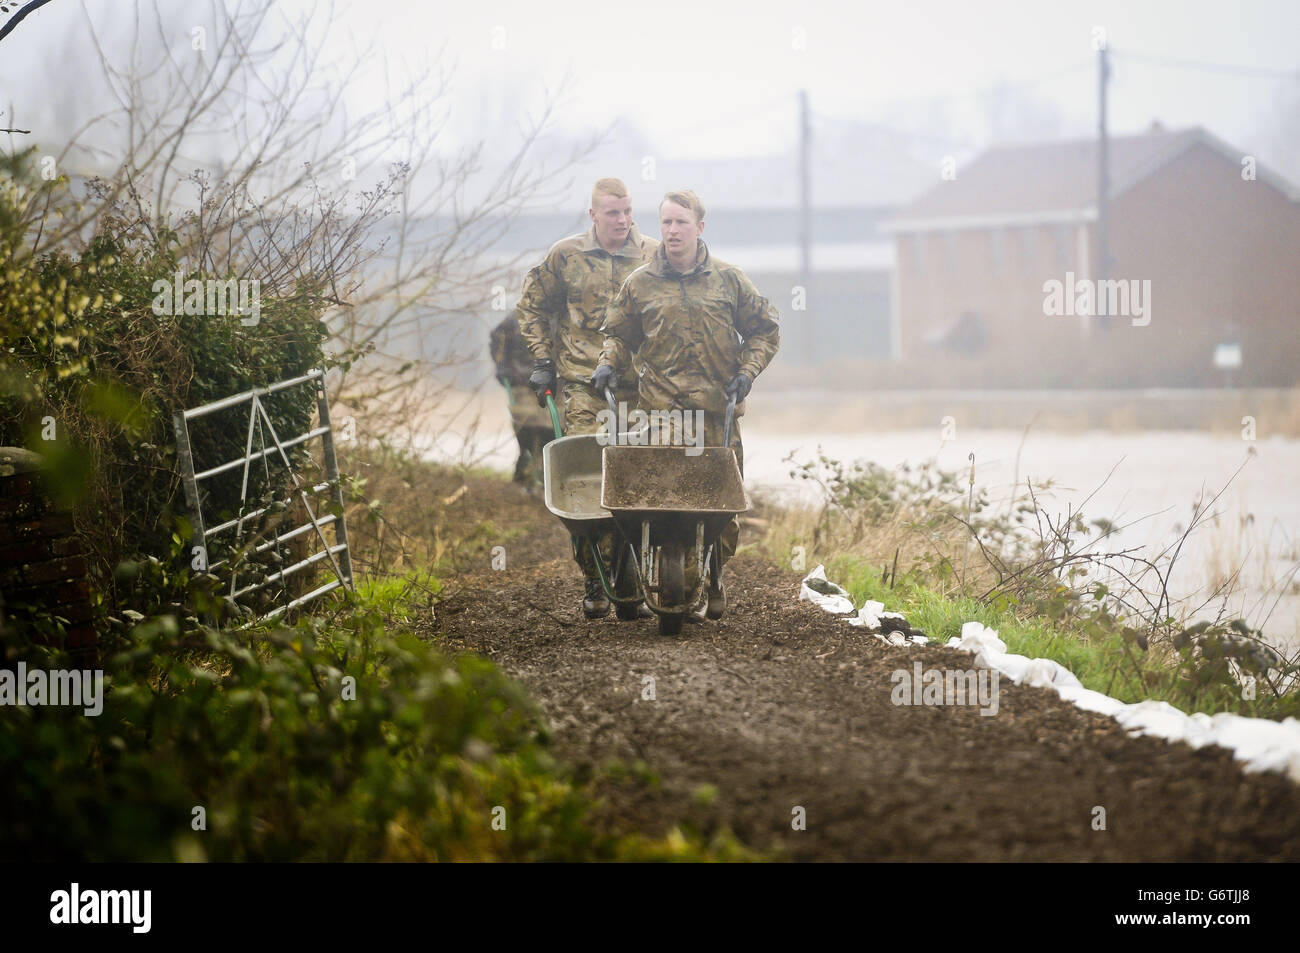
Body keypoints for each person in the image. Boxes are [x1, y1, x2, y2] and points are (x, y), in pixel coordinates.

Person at [593, 189, 779, 620]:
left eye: (681, 222)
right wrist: (607, 363)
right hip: (660, 414)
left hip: (716, 413)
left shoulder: (729, 280)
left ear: (699, 226)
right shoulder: (639, 284)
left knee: (722, 510)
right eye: (666, 223)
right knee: (656, 500)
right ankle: (645, 573)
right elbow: (619, 336)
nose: (672, 231)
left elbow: (765, 331)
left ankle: (713, 573)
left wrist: (747, 372)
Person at [515, 177, 658, 619]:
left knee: (640, 479)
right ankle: (594, 575)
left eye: (628, 211)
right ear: (593, 214)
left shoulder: (653, 256)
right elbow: (532, 305)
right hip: (581, 386)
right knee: (585, 484)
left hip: (640, 388)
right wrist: (542, 360)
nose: (622, 220)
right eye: (612, 212)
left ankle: (643, 568)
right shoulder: (566, 256)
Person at [489, 314, 551, 489]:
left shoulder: (556, 316)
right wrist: (502, 366)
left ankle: (544, 477)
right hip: (521, 381)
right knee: (526, 429)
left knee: (551, 431)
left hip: (550, 384)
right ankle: (526, 474)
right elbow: (497, 339)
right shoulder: (513, 319)